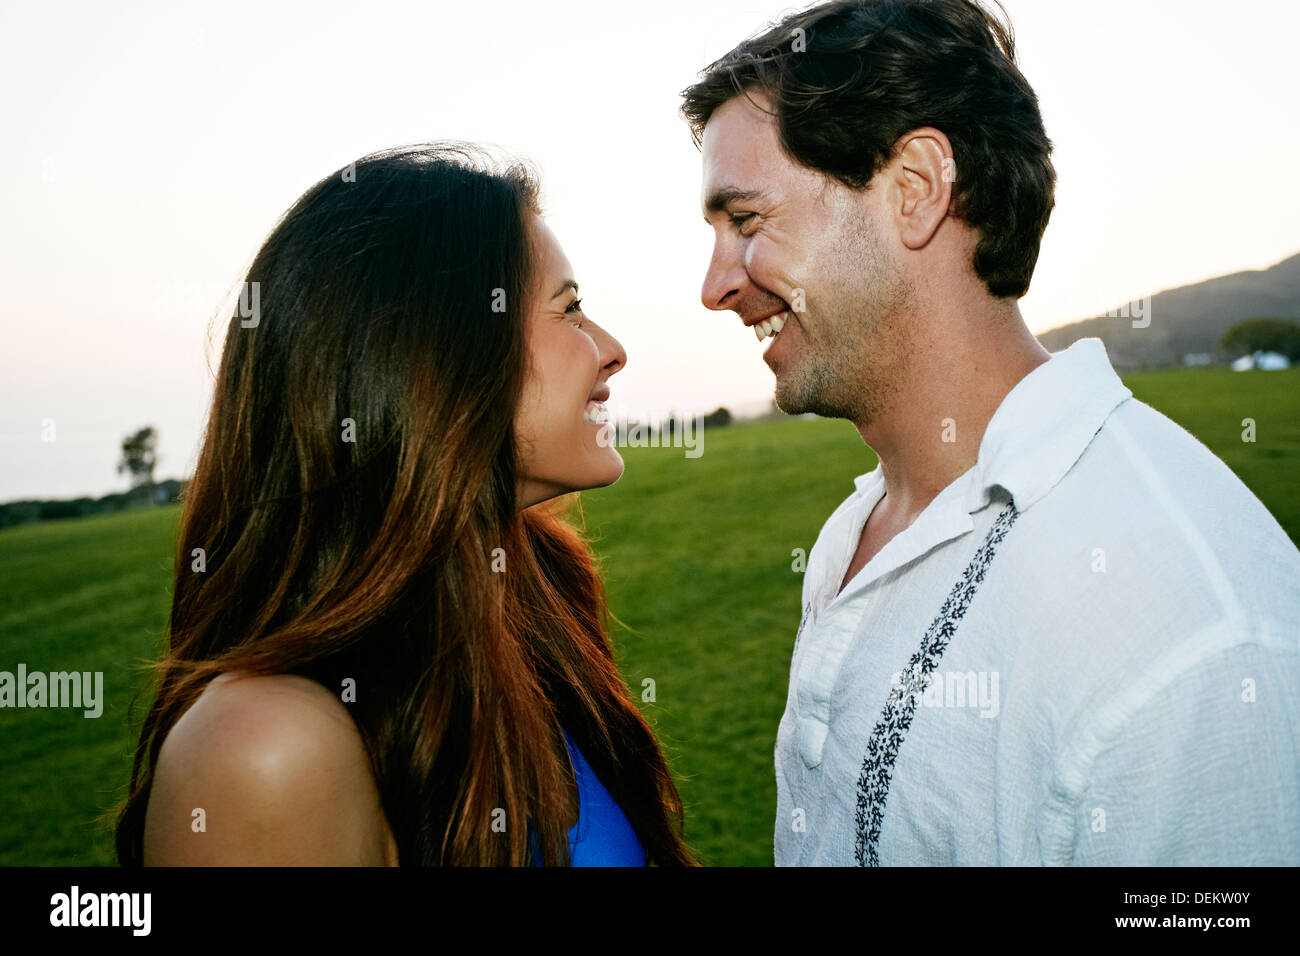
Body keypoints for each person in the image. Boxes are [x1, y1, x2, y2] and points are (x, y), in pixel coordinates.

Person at [681, 0, 1300, 865]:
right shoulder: (852, 538)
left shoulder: (1188, 636)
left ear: (916, 190)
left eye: (745, 222)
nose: (715, 286)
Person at [114, 143, 694, 866]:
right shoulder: (267, 747)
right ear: (436, 354)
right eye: (570, 309)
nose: (611, 349)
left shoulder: (536, 602)